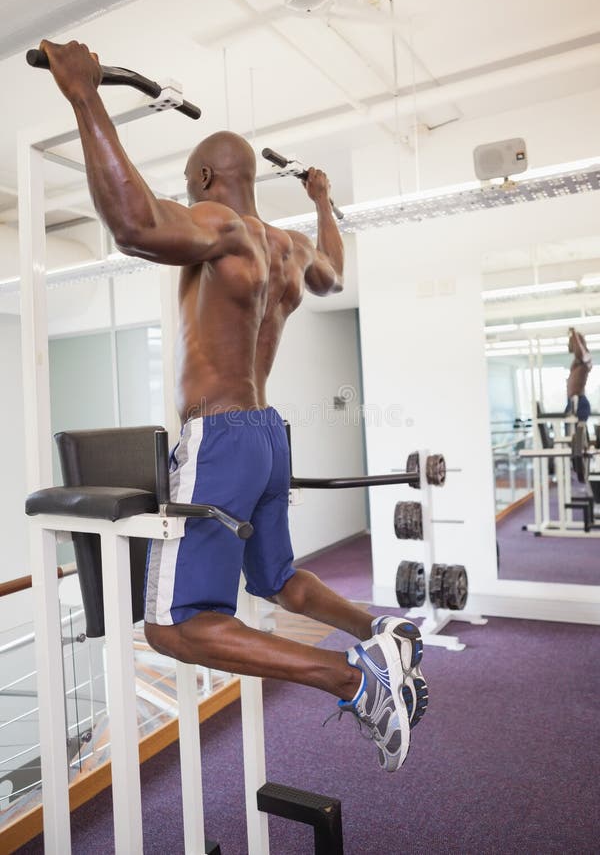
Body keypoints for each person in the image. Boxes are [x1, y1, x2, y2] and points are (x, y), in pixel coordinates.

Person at [40, 39, 428, 771]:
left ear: (210, 177)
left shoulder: (216, 227)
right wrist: (319, 201)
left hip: (218, 436)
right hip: (267, 435)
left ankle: (354, 679)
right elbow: (333, 273)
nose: (188, 194)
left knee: (176, 628)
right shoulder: (285, 246)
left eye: (191, 182)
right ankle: (387, 631)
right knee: (275, 581)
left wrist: (85, 96)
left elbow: (132, 224)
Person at [566, 327, 592, 422]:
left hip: (579, 402)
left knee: (579, 434)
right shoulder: (577, 363)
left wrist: (574, 334)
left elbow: (580, 351)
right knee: (572, 434)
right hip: (573, 401)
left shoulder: (585, 358)